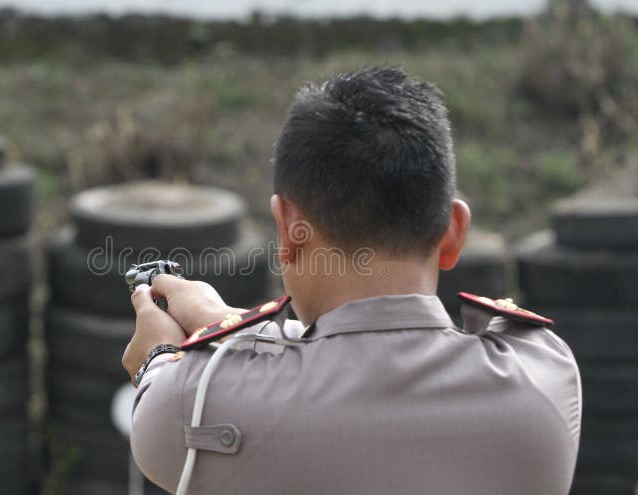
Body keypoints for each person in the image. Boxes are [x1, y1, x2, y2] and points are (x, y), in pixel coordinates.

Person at [122, 66, 581, 494]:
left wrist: (162, 354)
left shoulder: (192, 405)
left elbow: (167, 399)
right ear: (454, 232)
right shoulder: (546, 378)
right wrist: (223, 321)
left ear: (287, 229)